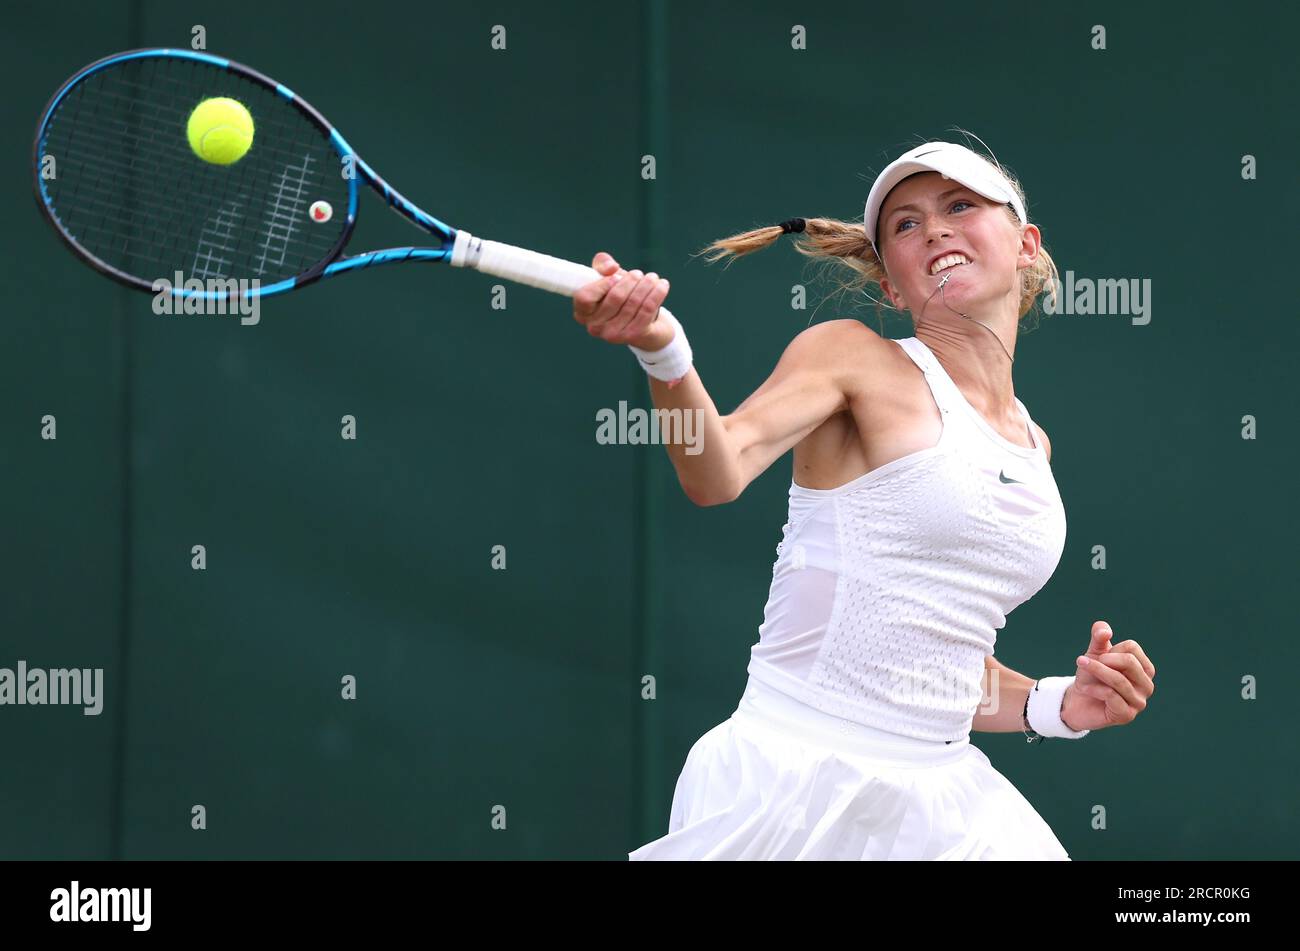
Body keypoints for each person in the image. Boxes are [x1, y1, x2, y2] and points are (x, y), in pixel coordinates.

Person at [573, 138, 1156, 860]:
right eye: (905, 225)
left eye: (960, 205)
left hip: (948, 799)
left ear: (1026, 246)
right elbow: (715, 469)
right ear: (892, 286)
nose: (935, 228)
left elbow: (934, 663)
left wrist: (1056, 704)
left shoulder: (1034, 446)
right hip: (792, 781)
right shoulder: (851, 356)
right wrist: (662, 349)